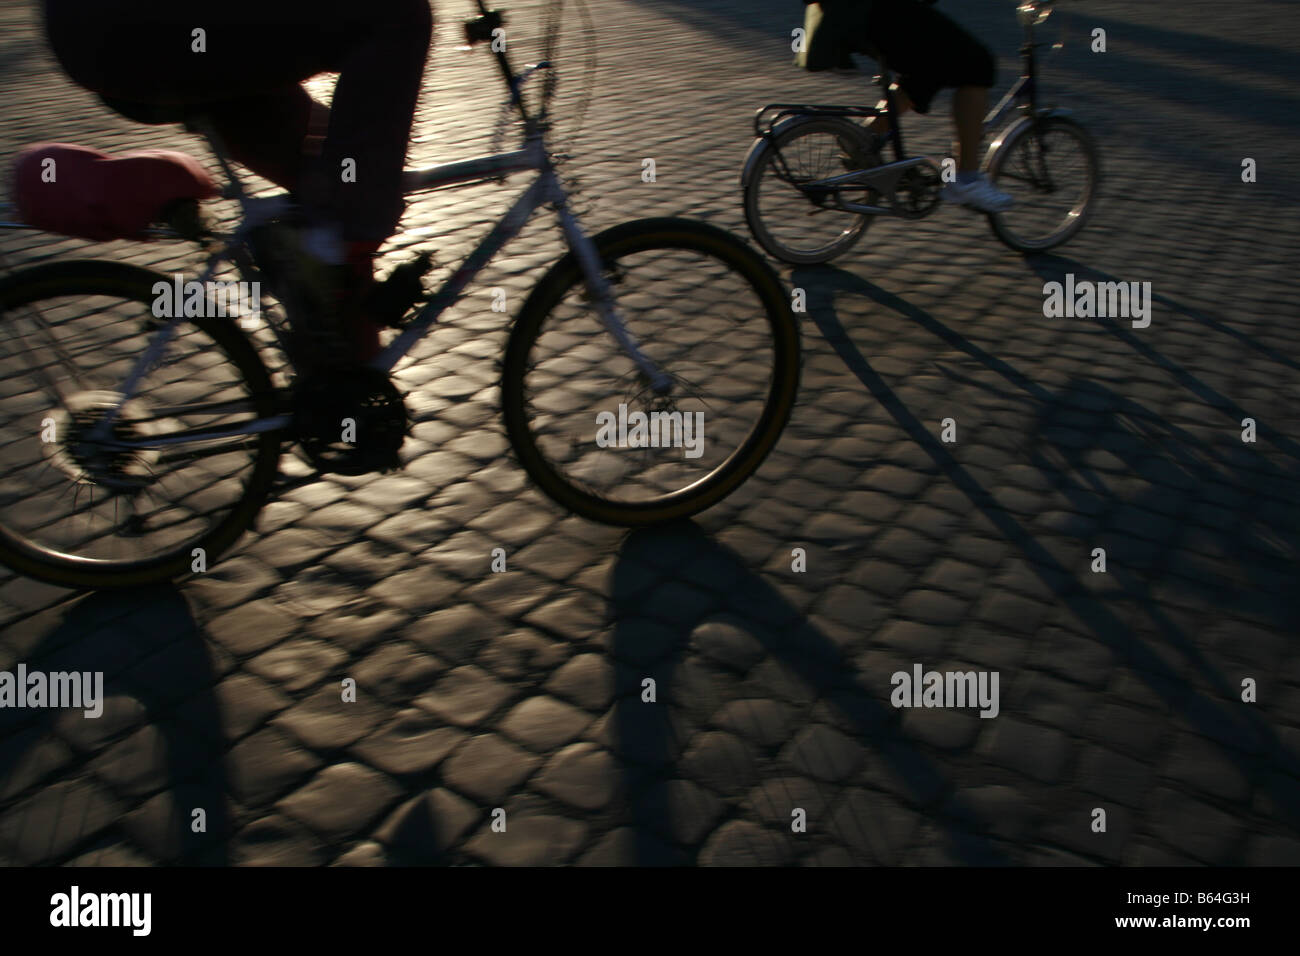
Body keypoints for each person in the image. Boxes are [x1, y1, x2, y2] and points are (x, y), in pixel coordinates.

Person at [40, 0, 435, 365]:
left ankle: (349, 399)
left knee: (322, 175)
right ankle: (337, 248)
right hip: (139, 25)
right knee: (394, 12)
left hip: (117, 28)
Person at [797, 0, 1014, 212]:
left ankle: (864, 139)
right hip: (876, 11)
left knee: (932, 65)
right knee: (977, 64)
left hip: (850, 14)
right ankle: (966, 180)